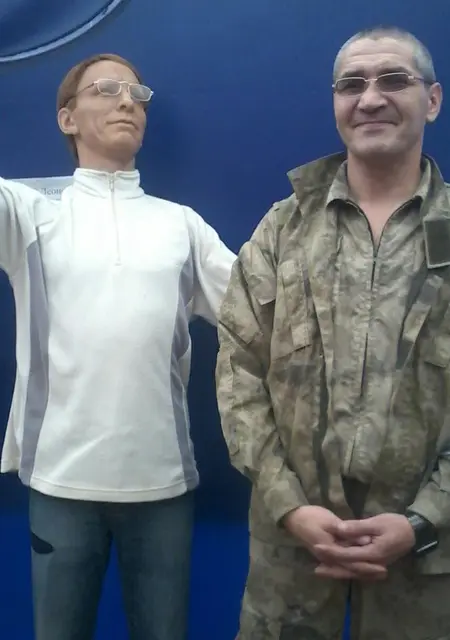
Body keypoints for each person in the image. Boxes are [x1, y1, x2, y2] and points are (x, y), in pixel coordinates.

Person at [215, 26, 450, 640]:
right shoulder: (282, 230)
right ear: (336, 102)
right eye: (352, 85)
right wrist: (289, 506)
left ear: (432, 100)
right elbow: (238, 374)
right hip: (291, 555)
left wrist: (426, 519)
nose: (370, 98)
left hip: (430, 562)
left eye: (393, 79)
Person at [0, 53, 236, 640]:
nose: (127, 100)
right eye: (105, 89)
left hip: (163, 483)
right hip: (60, 480)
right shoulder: (27, 214)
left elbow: (261, 310)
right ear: (67, 118)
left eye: (137, 93)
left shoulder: (182, 225)